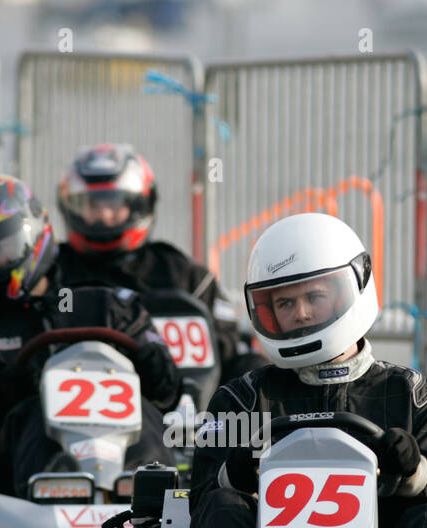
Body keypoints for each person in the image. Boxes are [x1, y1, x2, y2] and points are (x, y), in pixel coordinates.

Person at [188, 212, 427, 528]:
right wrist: (235, 475)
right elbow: (200, 497)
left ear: (353, 288)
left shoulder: (416, 397)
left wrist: (413, 472)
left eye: (315, 297)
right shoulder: (243, 398)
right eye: (285, 303)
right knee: (221, 503)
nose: (301, 314)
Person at [0, 174, 180, 496]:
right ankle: (57, 495)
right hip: (8, 480)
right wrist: (10, 388)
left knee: (140, 407)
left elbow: (168, 397)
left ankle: (151, 505)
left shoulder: (107, 305)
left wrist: (155, 367)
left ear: (33, 235)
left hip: (122, 447)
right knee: (38, 409)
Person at [54, 143, 268, 385]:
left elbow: (227, 347)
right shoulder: (52, 272)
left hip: (178, 404)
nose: (103, 216)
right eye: (92, 205)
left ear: (139, 205)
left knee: (253, 367)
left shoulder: (180, 274)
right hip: (73, 394)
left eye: (113, 205)